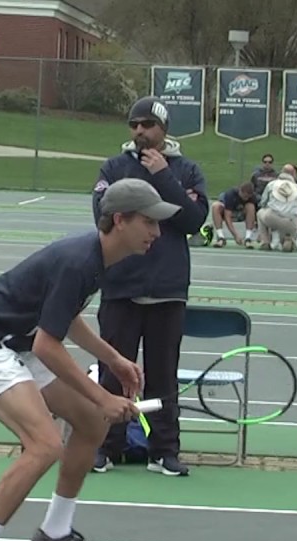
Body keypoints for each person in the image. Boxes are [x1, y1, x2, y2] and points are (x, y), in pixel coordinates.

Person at [0, 178, 180, 541]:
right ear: (120, 221)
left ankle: (55, 533)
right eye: (149, 222)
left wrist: (115, 360)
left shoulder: (97, 260)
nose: (156, 232)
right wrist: (103, 395)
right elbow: (48, 346)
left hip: (17, 342)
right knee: (46, 444)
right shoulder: (79, 260)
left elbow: (64, 320)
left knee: (91, 423)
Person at [90, 96, 209, 477]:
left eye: (147, 124)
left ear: (164, 128)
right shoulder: (114, 166)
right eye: (134, 125)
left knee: (162, 374)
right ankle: (105, 446)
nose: (139, 131)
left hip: (167, 288)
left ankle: (164, 451)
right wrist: (158, 209)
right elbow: (104, 215)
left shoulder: (186, 170)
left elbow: (191, 220)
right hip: (121, 286)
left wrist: (162, 178)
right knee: (113, 371)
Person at [257, 173, 297, 252]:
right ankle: (287, 238)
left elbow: (263, 202)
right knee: (287, 229)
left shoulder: (271, 185)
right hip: (292, 221)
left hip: (272, 217)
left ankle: (265, 242)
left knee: (260, 213)